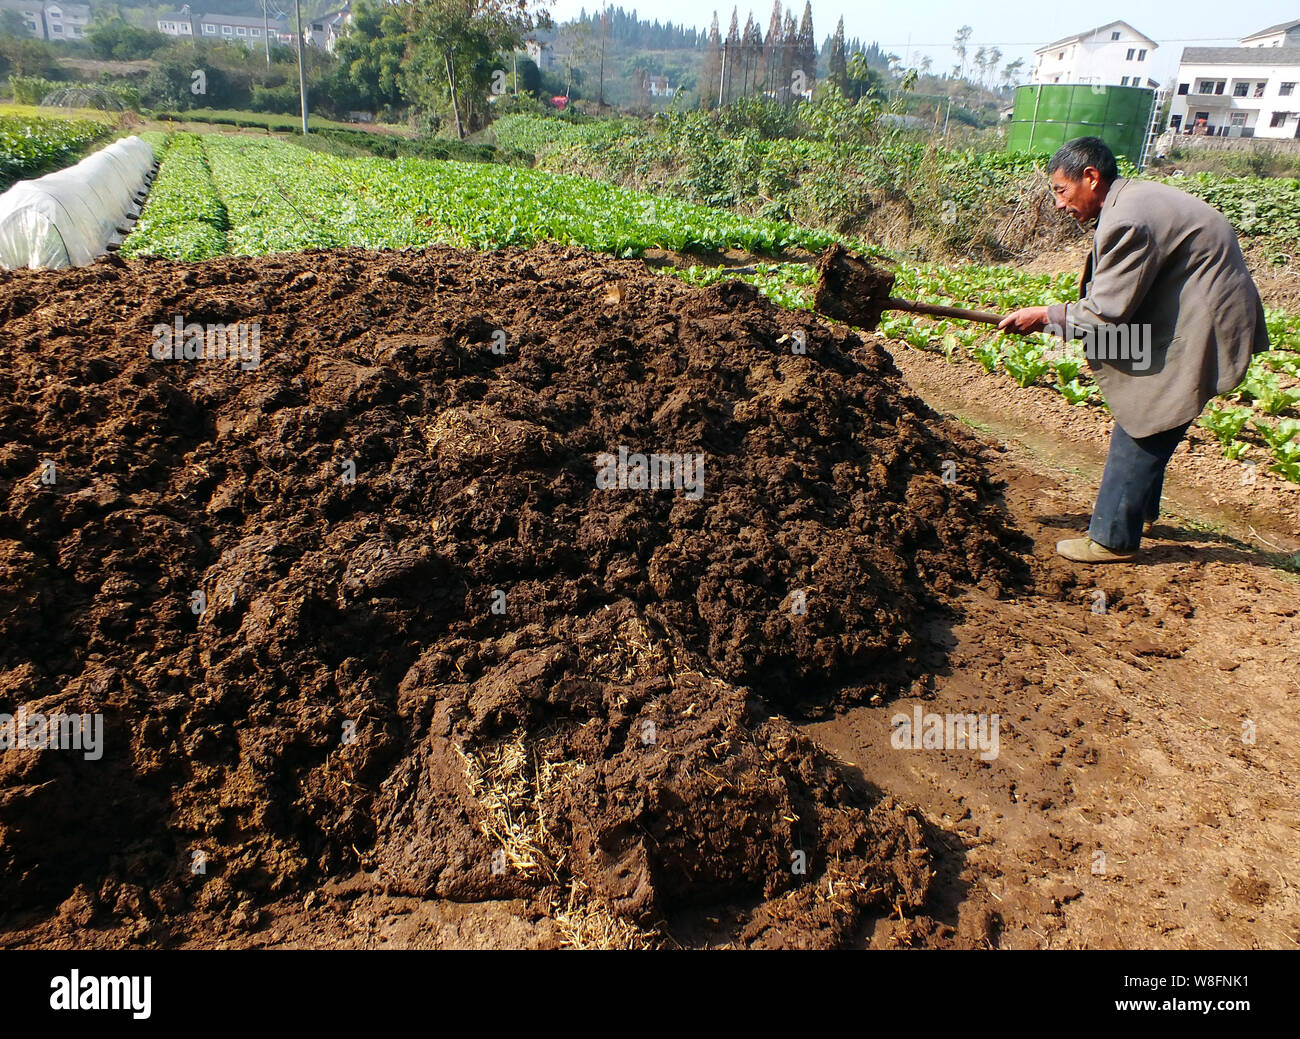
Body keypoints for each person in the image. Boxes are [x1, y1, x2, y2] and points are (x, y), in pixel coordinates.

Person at [999, 136, 1270, 563]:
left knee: (1147, 414)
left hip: (1205, 319)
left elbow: (1104, 314)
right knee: (1154, 407)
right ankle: (1140, 509)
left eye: (1060, 190)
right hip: (1187, 308)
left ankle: (1112, 537)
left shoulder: (1126, 219)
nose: (1057, 204)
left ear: (1090, 177)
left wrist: (1045, 316)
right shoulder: (1127, 202)